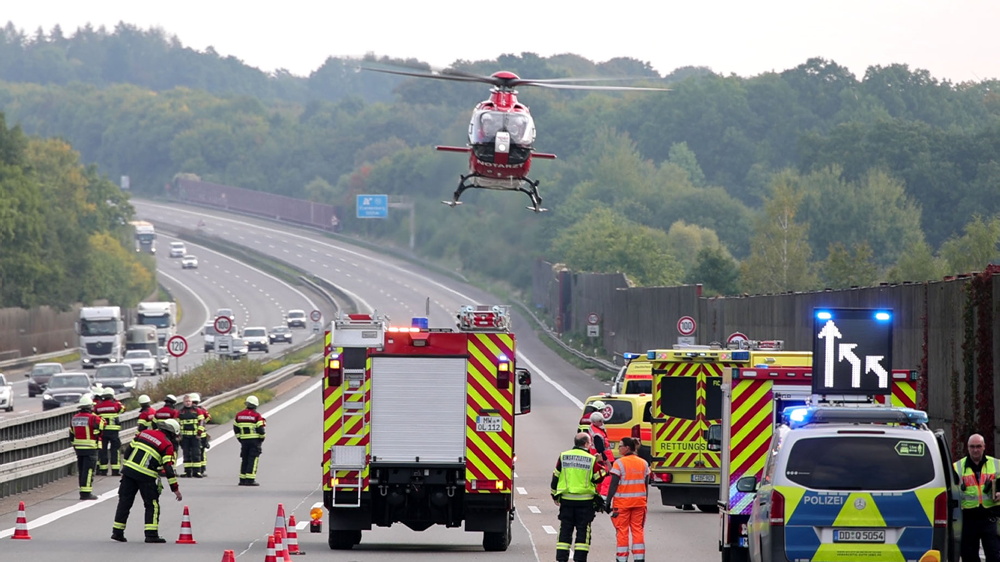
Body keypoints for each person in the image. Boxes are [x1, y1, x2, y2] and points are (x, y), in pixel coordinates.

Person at [111, 418, 183, 543]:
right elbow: (168, 468)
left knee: (124, 502)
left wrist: (126, 470)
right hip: (146, 476)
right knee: (152, 505)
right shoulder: (167, 445)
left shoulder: (144, 433)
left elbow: (128, 453)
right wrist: (175, 489)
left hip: (129, 473)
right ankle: (151, 535)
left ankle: (117, 532)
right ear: (172, 433)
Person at [551, 432, 606, 562]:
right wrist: (601, 464)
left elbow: (556, 476)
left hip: (567, 500)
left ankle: (561, 558)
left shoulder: (564, 456)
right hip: (585, 502)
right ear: (586, 444)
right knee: (583, 531)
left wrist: (554, 494)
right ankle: (580, 559)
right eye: (590, 443)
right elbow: (598, 478)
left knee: (565, 529)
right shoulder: (591, 459)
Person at [953, 433, 1000, 562]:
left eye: (978, 446)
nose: (975, 450)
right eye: (972, 446)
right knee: (969, 556)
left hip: (990, 518)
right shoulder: (957, 467)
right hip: (968, 519)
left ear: (984, 447)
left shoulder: (996, 464)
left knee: (994, 555)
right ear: (967, 448)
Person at [605, 437, 651, 562]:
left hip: (622, 504)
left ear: (627, 448)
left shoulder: (619, 463)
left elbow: (613, 484)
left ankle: (622, 558)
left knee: (622, 531)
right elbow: (645, 485)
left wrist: (607, 501)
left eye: (621, 446)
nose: (619, 448)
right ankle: (639, 558)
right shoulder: (644, 463)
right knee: (638, 530)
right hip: (639, 503)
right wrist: (644, 500)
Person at [70, 395, 104, 500]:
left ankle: (82, 490)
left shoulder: (74, 418)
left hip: (79, 448)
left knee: (82, 469)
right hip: (90, 447)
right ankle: (86, 493)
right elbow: (102, 425)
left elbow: (71, 434)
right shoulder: (93, 418)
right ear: (90, 407)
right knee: (89, 470)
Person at [234, 395, 267, 486]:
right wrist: (262, 437)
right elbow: (261, 429)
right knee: (253, 459)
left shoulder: (239, 415)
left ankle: (242, 479)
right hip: (254, 441)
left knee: (245, 459)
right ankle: (250, 479)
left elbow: (236, 428)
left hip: (244, 441)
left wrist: (240, 438)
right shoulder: (257, 416)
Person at [95, 387, 126, 475]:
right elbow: (123, 409)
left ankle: (103, 470)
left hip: (103, 432)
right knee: (115, 450)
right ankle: (115, 471)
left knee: (103, 450)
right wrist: (116, 401)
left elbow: (94, 414)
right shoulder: (116, 405)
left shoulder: (98, 406)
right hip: (114, 432)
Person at [176, 394, 205, 478]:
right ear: (183, 402)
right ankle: (187, 471)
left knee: (196, 453)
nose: (188, 403)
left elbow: (202, 421)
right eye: (186, 401)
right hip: (184, 436)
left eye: (189, 401)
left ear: (192, 402)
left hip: (195, 436)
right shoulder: (180, 412)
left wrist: (199, 432)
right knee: (186, 453)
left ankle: (197, 472)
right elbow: (176, 424)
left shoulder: (197, 411)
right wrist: (178, 435)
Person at [588, 412, 615, 496]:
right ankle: (603, 496)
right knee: (607, 478)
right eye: (600, 421)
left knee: (599, 478)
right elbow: (600, 449)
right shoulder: (597, 434)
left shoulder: (594, 428)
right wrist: (607, 461)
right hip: (603, 460)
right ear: (594, 422)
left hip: (598, 459)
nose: (602, 423)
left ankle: (598, 495)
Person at [192, 393, 211, 477]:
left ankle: (195, 469)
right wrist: (203, 424)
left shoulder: (187, 410)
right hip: (202, 434)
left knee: (193, 452)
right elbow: (209, 417)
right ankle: (202, 468)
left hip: (193, 434)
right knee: (202, 452)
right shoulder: (202, 410)